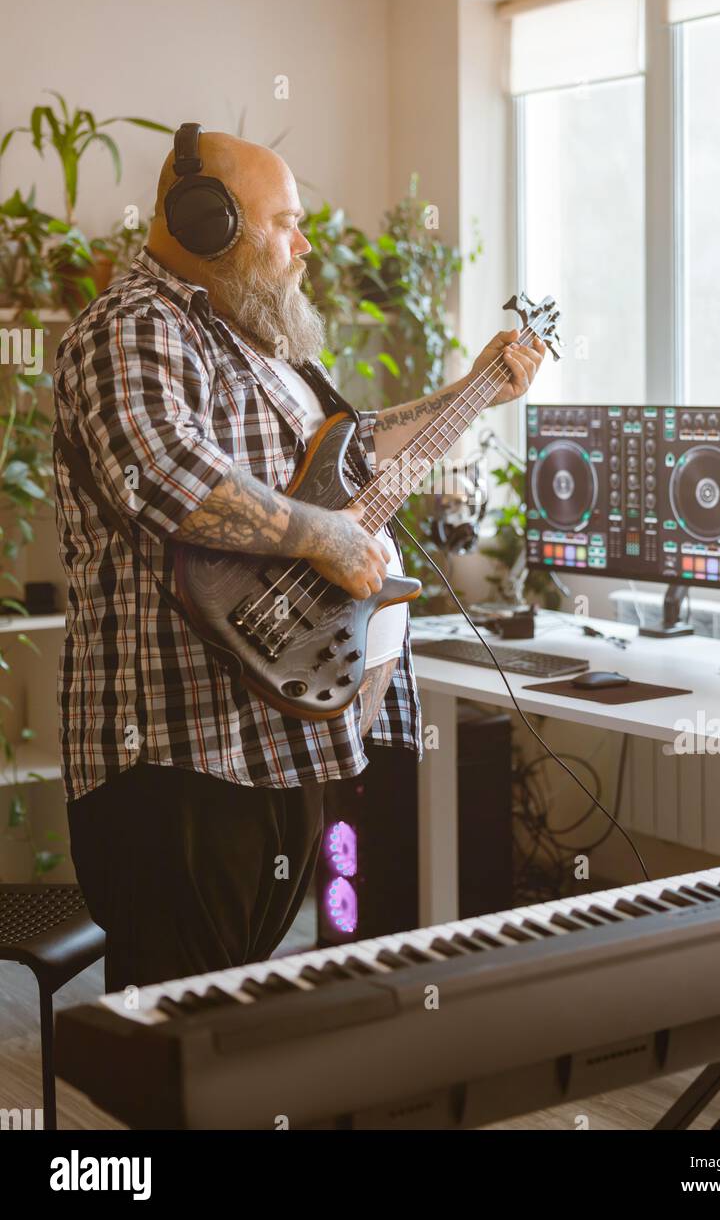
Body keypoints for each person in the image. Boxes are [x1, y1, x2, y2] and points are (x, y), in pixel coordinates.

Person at [53, 128, 544, 992]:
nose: (305, 243)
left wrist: (473, 393)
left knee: (236, 1012)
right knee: (178, 1029)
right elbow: (163, 474)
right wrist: (329, 539)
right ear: (210, 224)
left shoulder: (265, 347)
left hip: (273, 742)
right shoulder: (134, 326)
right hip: (176, 755)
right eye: (285, 222)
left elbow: (353, 463)